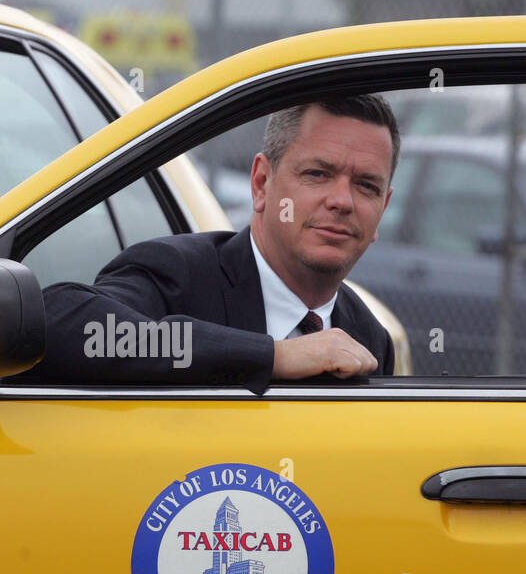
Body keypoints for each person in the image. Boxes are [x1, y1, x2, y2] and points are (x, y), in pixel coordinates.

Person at [25, 94, 398, 394]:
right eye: (318, 174)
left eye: (367, 186)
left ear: (383, 208)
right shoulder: (178, 275)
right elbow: (57, 324)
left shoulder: (369, 338)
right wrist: (273, 357)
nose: (342, 201)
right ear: (261, 184)